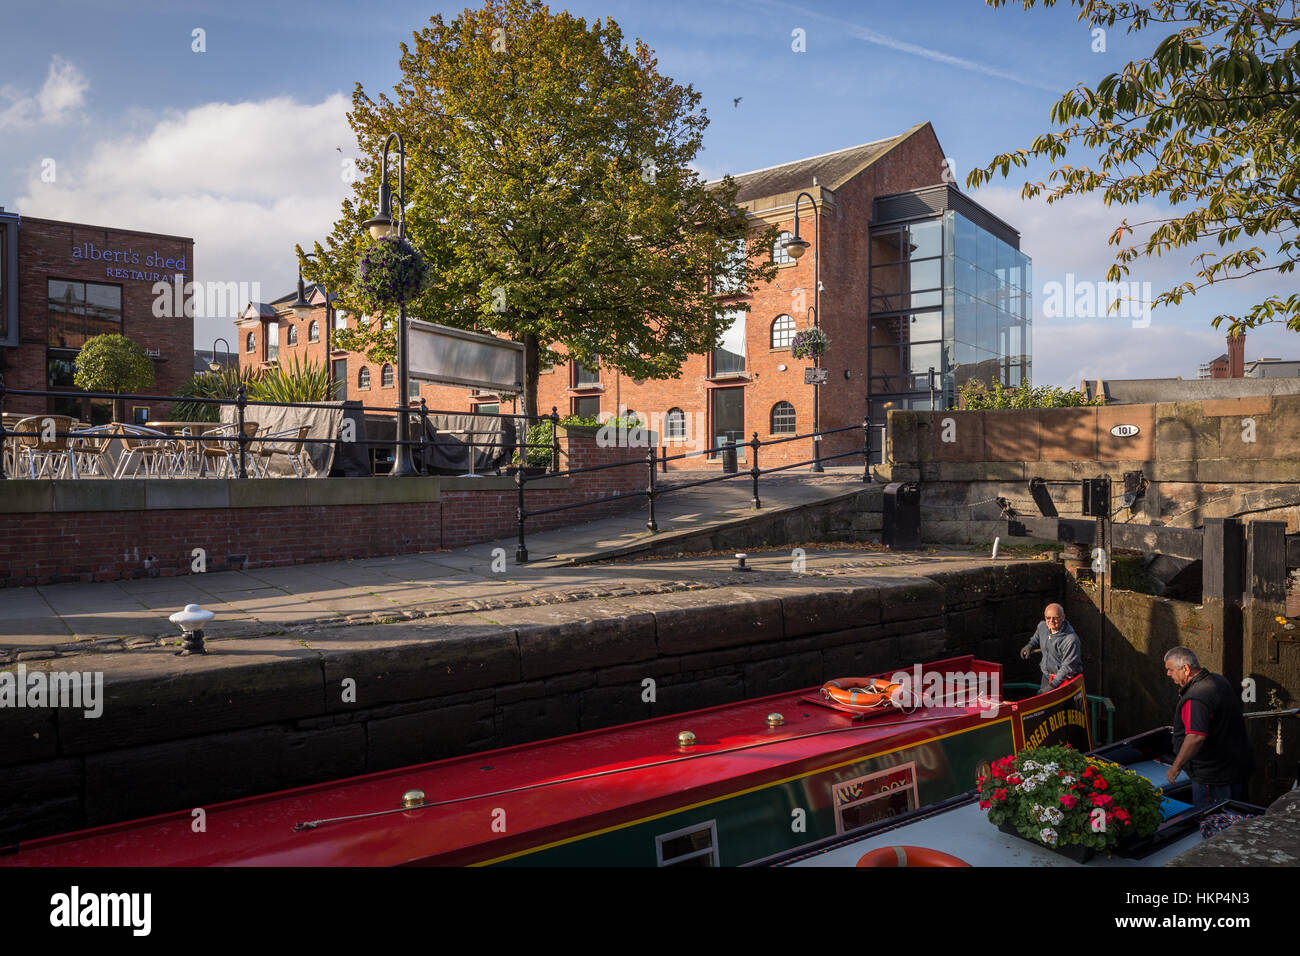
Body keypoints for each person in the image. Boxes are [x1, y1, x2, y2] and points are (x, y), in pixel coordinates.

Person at [1163, 646, 1254, 806]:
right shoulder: (1219, 680)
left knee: (1212, 821)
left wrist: (1175, 768)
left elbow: (1195, 737)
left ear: (1185, 669)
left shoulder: (1196, 698)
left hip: (1214, 777)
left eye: (1170, 669)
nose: (1168, 674)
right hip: (1235, 767)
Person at [1020, 604, 1082, 692]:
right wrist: (1030, 646)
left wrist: (1052, 686)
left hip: (1065, 682)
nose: (1051, 621)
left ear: (1063, 617)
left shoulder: (1071, 640)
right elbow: (1036, 638)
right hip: (1046, 677)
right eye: (1048, 618)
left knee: (1063, 706)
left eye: (1055, 618)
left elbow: (1068, 667)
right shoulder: (1042, 627)